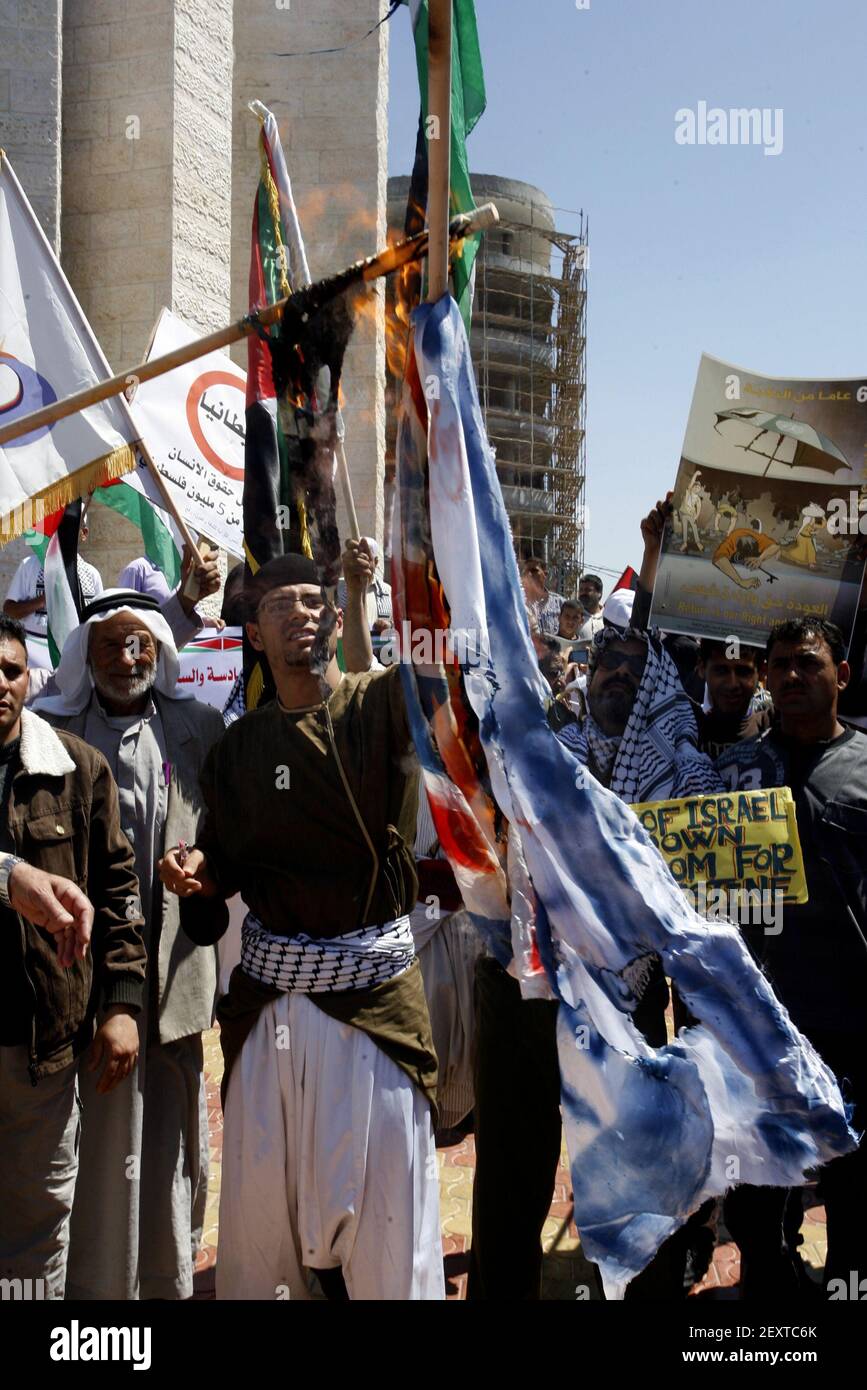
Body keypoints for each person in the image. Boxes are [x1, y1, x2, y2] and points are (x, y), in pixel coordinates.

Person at [159, 548, 443, 1301]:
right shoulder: (238, 750)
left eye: (314, 603)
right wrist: (197, 875)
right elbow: (222, 873)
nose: (300, 614)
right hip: (270, 1010)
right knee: (263, 1231)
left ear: (341, 620)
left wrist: (397, 558)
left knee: (387, 1224)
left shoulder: (378, 708)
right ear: (253, 632)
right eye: (280, 605)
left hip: (373, 1009)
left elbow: (438, 682)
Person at [469, 621, 724, 1301]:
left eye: (634, 666)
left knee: (636, 1169)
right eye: (607, 660)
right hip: (526, 990)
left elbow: (697, 889)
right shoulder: (548, 753)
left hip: (626, 1000)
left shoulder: (685, 776)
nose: (616, 673)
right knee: (511, 1164)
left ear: (657, 689)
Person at [35, 590, 224, 1301]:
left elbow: (228, 826)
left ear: (161, 651)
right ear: (87, 654)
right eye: (111, 645)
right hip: (83, 985)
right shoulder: (50, 732)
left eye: (141, 643)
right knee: (87, 1153)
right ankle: (90, 1301)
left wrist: (204, 862)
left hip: (170, 984)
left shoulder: (199, 727)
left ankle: (161, 1288)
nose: (128, 658)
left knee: (166, 1152)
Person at [714, 617, 867, 1299]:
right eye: (778, 666)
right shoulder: (735, 770)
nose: (791, 677)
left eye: (807, 664)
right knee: (752, 1191)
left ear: (841, 674)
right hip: (758, 1023)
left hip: (853, 1020)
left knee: (854, 1191)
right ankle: (771, 1290)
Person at [0, 614, 146, 1300]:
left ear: (30, 679)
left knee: (35, 1233)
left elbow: (118, 895)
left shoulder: (77, 769)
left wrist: (121, 1005)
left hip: (41, 1052)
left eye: (10, 670)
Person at [4, 513, 103, 667]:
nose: (64, 531)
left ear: (83, 534)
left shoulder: (91, 574)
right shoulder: (29, 565)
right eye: (59, 526)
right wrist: (42, 600)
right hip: (33, 656)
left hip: (75, 655)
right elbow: (10, 611)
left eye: (71, 525)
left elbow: (98, 621)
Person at [118, 543, 224, 641]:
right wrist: (134, 656)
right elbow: (127, 624)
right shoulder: (137, 569)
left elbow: (191, 611)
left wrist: (206, 622)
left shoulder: (182, 570)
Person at [696, 638, 773, 760]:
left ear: (762, 672)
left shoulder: (773, 726)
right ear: (702, 669)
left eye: (743, 672)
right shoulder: (687, 731)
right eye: (721, 671)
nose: (732, 684)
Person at [712, 523, 781, 589]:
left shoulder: (759, 539)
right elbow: (718, 558)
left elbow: (776, 546)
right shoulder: (730, 542)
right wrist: (740, 581)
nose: (751, 560)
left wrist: (760, 558)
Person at [520, 555, 565, 637]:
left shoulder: (560, 603)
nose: (529, 574)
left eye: (534, 570)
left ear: (545, 574)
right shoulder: (518, 603)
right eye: (526, 571)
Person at [577, 572, 605, 640]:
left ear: (599, 594)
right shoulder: (574, 617)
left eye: (588, 590)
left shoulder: (608, 618)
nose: (583, 593)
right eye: (581, 590)